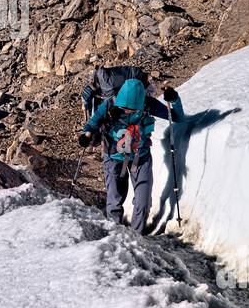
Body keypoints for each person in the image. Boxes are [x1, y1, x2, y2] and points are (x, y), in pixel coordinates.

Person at [78, 78, 184, 233]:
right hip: (113, 158)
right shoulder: (109, 104)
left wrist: (174, 99)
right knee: (114, 201)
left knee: (143, 201)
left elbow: (178, 117)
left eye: (132, 110)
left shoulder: (148, 104)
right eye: (123, 108)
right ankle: (114, 235)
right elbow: (91, 124)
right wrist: (85, 136)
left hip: (140, 158)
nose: (127, 111)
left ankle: (137, 237)